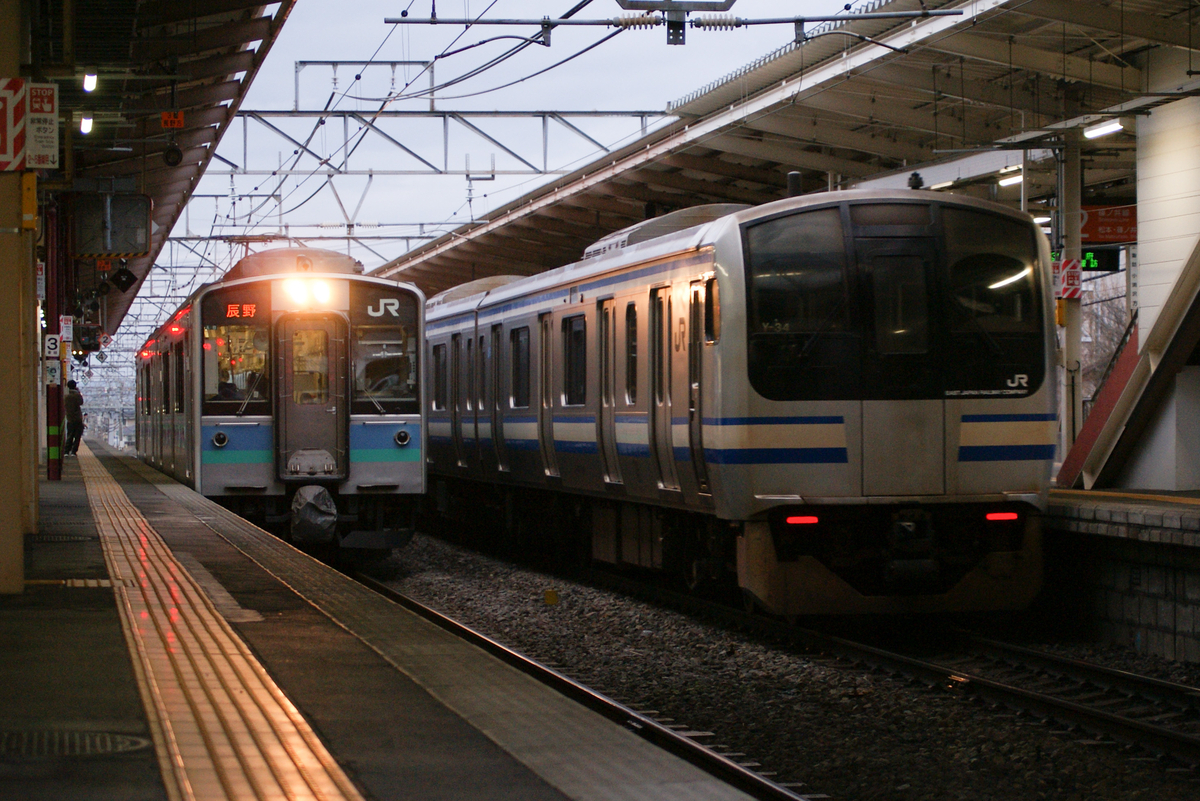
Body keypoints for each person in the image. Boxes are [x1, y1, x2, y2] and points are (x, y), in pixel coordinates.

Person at [63, 380, 84, 456]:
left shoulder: (65, 395)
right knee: (77, 436)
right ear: (75, 386)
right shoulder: (77, 395)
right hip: (77, 418)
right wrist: (78, 392)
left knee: (70, 435)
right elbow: (81, 402)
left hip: (69, 418)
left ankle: (66, 451)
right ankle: (73, 451)